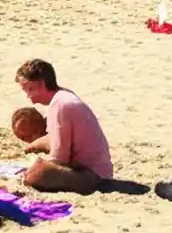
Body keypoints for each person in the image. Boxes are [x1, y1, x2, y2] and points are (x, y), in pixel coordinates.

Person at [14, 59, 113, 194]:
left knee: (37, 173)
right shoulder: (64, 96)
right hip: (100, 171)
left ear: (41, 84)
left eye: (29, 89)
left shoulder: (60, 105)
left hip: (92, 176)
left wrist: (38, 165)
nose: (28, 96)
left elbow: (59, 158)